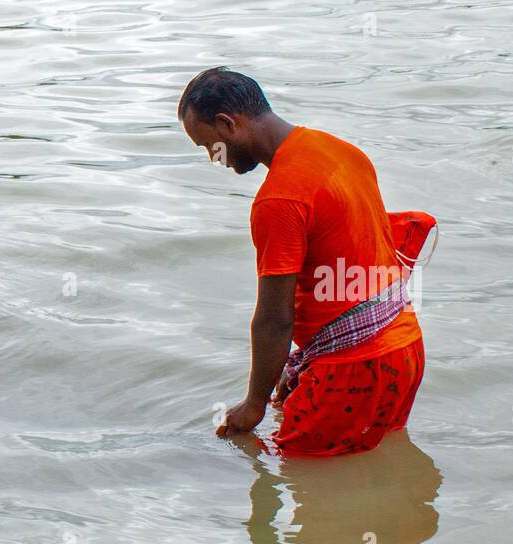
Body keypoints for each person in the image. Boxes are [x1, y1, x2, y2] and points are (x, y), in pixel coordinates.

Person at [179, 67, 428, 456]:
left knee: (306, 485)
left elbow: (274, 318)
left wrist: (254, 403)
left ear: (228, 125)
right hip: (404, 349)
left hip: (353, 369)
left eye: (208, 146)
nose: (213, 159)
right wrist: (299, 365)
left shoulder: (279, 200)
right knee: (372, 475)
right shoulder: (339, 149)